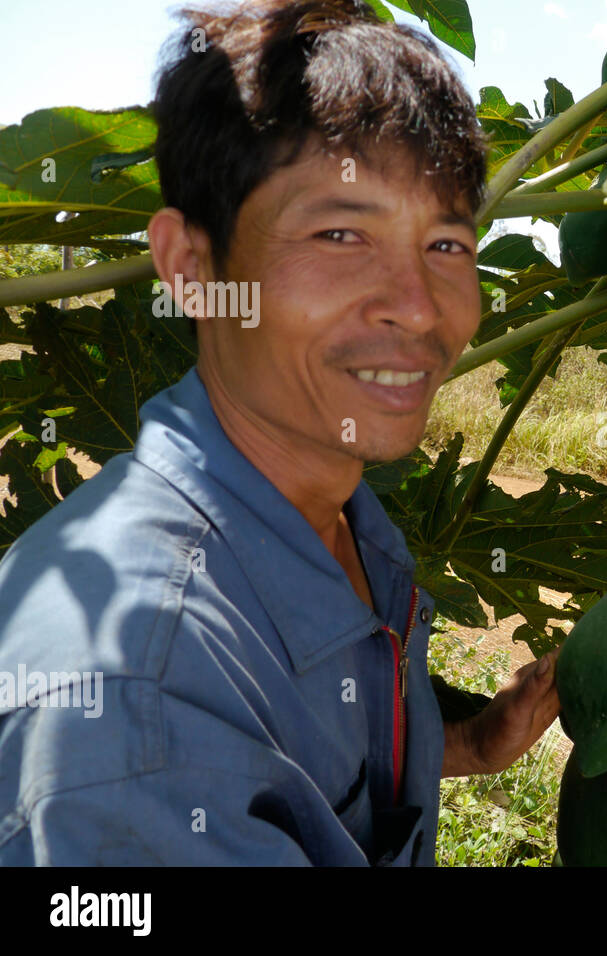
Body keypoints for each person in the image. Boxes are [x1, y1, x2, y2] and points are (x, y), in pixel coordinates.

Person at [0, 0, 560, 865]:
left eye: (447, 243)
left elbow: (301, 747)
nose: (417, 307)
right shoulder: (130, 701)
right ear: (190, 267)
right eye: (340, 233)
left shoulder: (335, 518)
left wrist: (472, 745)